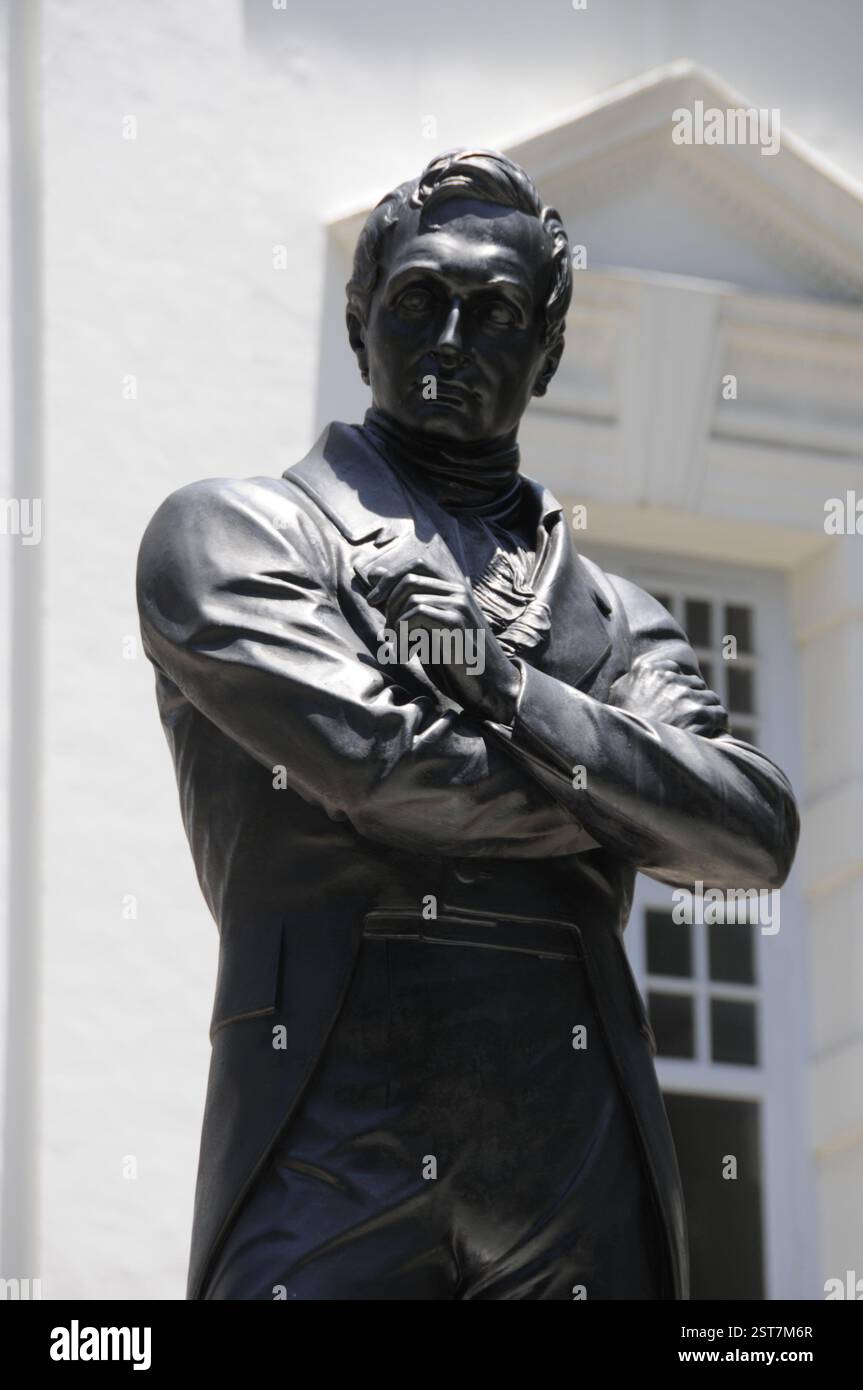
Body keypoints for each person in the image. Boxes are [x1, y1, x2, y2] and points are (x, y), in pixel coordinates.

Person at [136, 149, 799, 1300]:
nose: (449, 340)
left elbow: (748, 834)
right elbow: (386, 772)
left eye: (493, 314)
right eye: (416, 303)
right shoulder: (234, 538)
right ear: (359, 326)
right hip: (327, 1144)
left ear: (543, 354)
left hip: (576, 1174)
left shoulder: (617, 617)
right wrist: (622, 808)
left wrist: (508, 688)